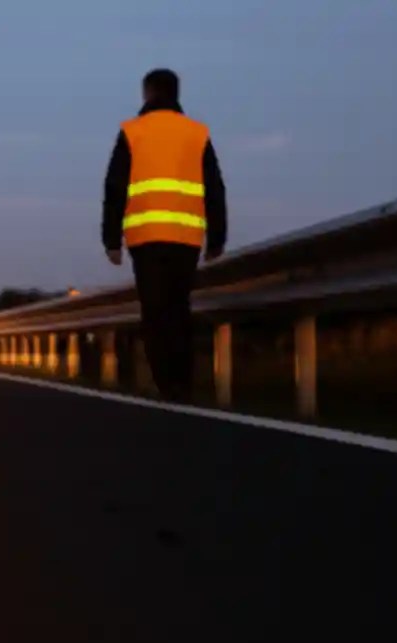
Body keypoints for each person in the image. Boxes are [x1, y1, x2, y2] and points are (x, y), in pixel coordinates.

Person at [101, 68, 227, 402]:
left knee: (155, 312)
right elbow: (214, 187)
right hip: (186, 239)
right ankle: (182, 383)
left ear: (147, 94)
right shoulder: (196, 133)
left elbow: (115, 186)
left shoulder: (133, 132)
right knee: (179, 309)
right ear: (176, 93)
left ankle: (166, 385)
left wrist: (111, 240)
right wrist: (217, 238)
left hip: (147, 238)